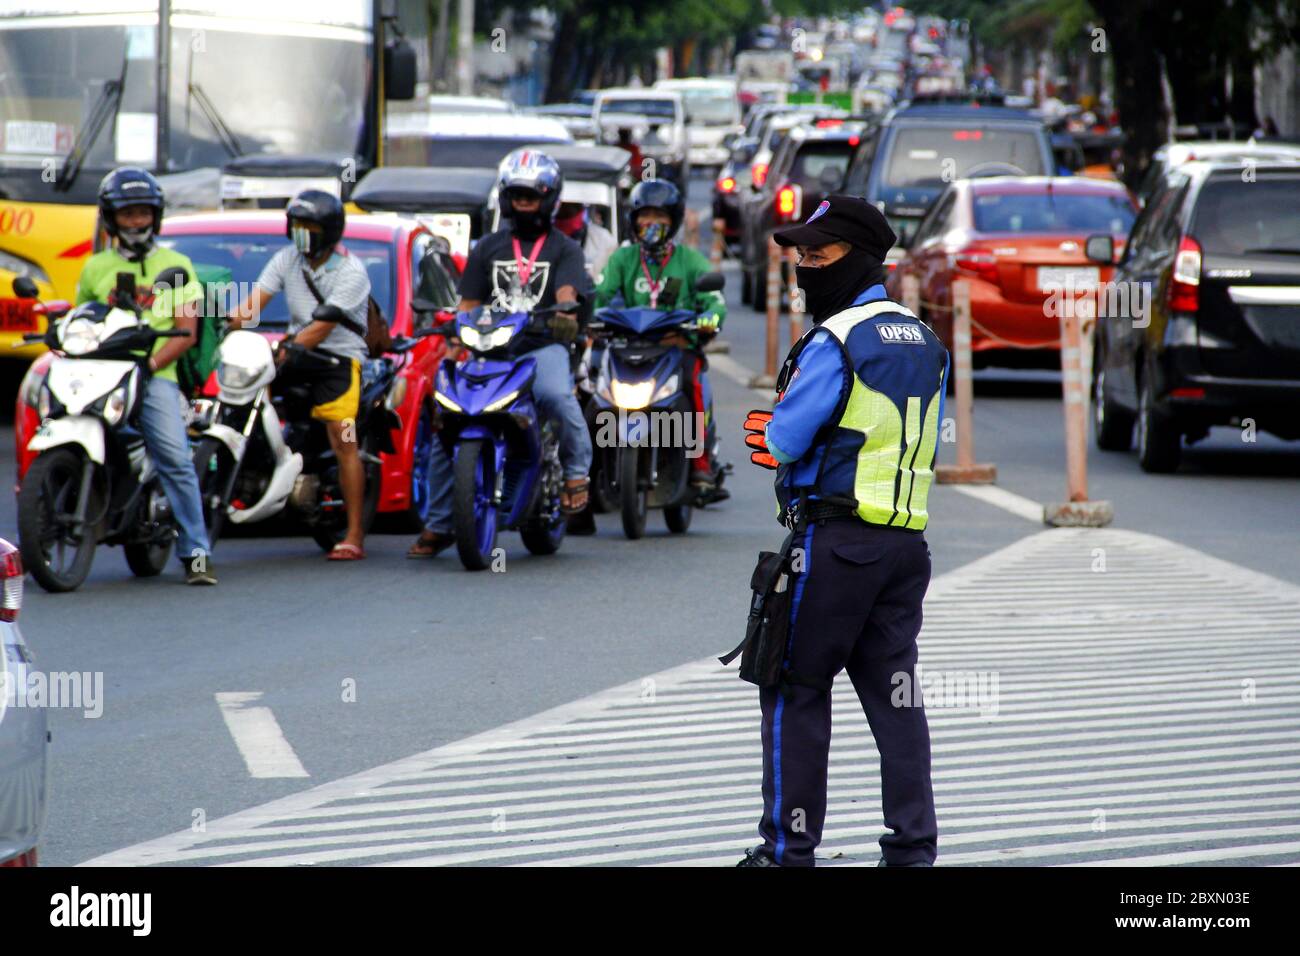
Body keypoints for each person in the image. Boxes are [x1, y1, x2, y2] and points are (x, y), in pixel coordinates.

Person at [734, 195, 949, 867]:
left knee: (794, 689)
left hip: (832, 545)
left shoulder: (836, 339)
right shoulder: (923, 338)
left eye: (816, 255)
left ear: (854, 260)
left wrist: (771, 431)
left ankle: (786, 851)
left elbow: (789, 436)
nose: (802, 267)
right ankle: (912, 849)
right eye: (799, 254)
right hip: (905, 547)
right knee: (897, 702)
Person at [408, 149, 592, 558]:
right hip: (487, 354)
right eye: (517, 193)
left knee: (557, 397)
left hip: (540, 348)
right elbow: (467, 305)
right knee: (448, 423)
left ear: (550, 197)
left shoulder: (565, 249)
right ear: (505, 197)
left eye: (533, 193)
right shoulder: (487, 246)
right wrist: (455, 337)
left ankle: (576, 475)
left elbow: (567, 293)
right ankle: (439, 523)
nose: (525, 200)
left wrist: (566, 312)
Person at [75, 167, 216, 585]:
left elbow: (187, 332)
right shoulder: (94, 267)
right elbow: (79, 318)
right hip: (101, 375)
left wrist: (149, 365)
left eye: (142, 213)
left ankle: (197, 555)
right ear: (110, 217)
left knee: (175, 458)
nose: (135, 221)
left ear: (155, 216)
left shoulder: (175, 265)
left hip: (155, 376)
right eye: (126, 213)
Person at [229, 189, 371, 561]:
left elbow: (322, 327)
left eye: (308, 226)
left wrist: (289, 347)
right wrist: (224, 325)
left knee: (344, 438)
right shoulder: (285, 259)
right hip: (293, 354)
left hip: (337, 362)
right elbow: (252, 306)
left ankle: (354, 534)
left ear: (328, 231)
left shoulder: (351, 271)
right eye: (296, 225)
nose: (300, 232)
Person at [593, 178, 728, 503]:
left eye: (661, 217)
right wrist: (590, 317)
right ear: (634, 220)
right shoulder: (622, 260)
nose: (652, 224)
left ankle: (700, 465)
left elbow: (715, 301)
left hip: (675, 347)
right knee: (589, 395)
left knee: (694, 388)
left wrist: (709, 320)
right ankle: (585, 475)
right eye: (645, 216)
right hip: (627, 349)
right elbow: (600, 297)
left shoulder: (690, 261)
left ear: (675, 221)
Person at [554, 200, 618, 282]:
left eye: (572, 207)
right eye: (562, 208)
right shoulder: (545, 237)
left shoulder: (604, 239)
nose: (565, 210)